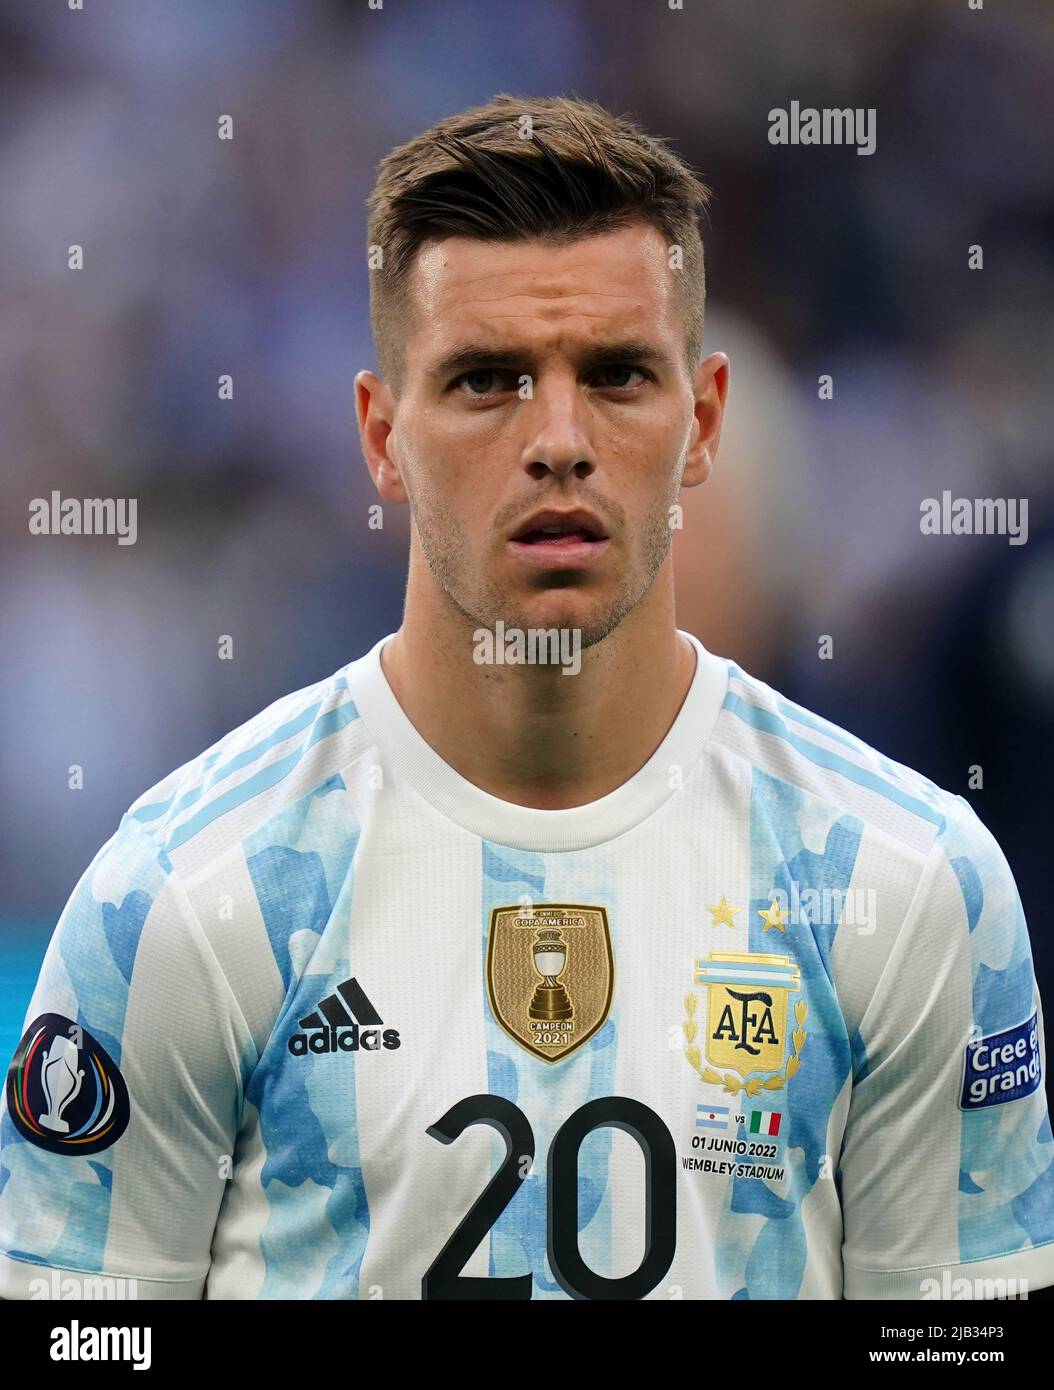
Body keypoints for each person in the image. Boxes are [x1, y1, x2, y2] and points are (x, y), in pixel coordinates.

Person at [2, 94, 1051, 1301]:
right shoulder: (184, 900)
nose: (557, 438)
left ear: (700, 420)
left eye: (614, 375)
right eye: (488, 379)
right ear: (381, 436)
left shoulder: (903, 884)